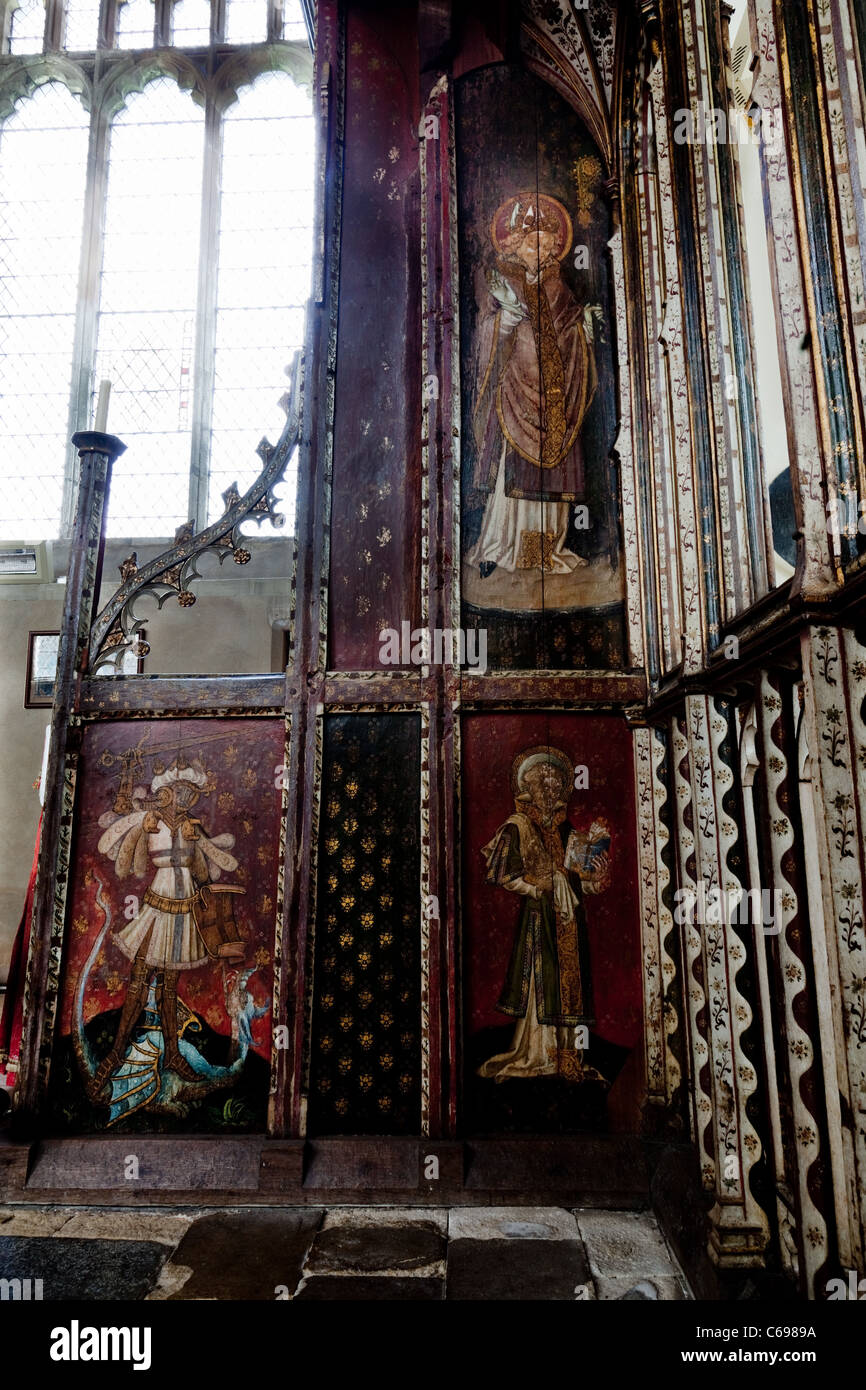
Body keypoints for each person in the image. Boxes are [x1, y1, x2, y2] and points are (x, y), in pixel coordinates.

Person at [468, 193, 601, 581]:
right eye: (532, 244)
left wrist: (584, 328)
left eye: (547, 245)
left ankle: (544, 551)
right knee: (512, 475)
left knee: (551, 477)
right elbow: (484, 333)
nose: (540, 251)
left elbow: (570, 328)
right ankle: (501, 545)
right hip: (516, 393)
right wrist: (505, 322)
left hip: (555, 395)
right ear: (515, 244)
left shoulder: (558, 285)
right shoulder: (500, 281)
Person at [93, 758, 240, 1089]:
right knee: (139, 979)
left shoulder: (192, 825)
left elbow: (204, 869)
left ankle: (172, 1053)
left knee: (169, 985)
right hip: (159, 903)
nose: (185, 798)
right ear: (169, 792)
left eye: (190, 792)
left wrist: (200, 849)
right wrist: (142, 826)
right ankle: (115, 1054)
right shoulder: (151, 819)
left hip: (184, 903)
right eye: (180, 791)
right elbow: (123, 852)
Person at [478, 745, 610, 1083]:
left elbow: (582, 885)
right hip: (539, 918)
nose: (551, 793)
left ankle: (568, 1057)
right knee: (543, 981)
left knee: (568, 985)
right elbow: (507, 876)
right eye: (545, 786)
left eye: (557, 787)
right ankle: (538, 1055)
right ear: (530, 788)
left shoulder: (568, 833)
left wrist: (597, 878)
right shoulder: (518, 827)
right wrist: (540, 887)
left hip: (569, 923)